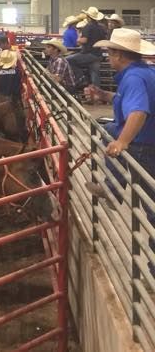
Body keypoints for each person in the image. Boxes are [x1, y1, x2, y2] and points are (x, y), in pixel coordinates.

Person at [83, 29, 155, 267]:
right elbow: (132, 101)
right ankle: (113, 188)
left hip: (143, 144)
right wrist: (105, 95)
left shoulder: (132, 78)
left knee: (151, 205)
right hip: (149, 140)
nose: (107, 58)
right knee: (110, 130)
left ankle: (113, 190)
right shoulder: (144, 72)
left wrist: (122, 142)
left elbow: (138, 112)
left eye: (109, 53)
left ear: (119, 55)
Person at [67, 6, 108, 89]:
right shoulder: (101, 28)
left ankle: (82, 78)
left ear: (88, 17)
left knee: (68, 60)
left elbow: (84, 40)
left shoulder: (88, 27)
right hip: (98, 54)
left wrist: (78, 39)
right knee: (94, 73)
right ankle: (97, 93)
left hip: (88, 53)